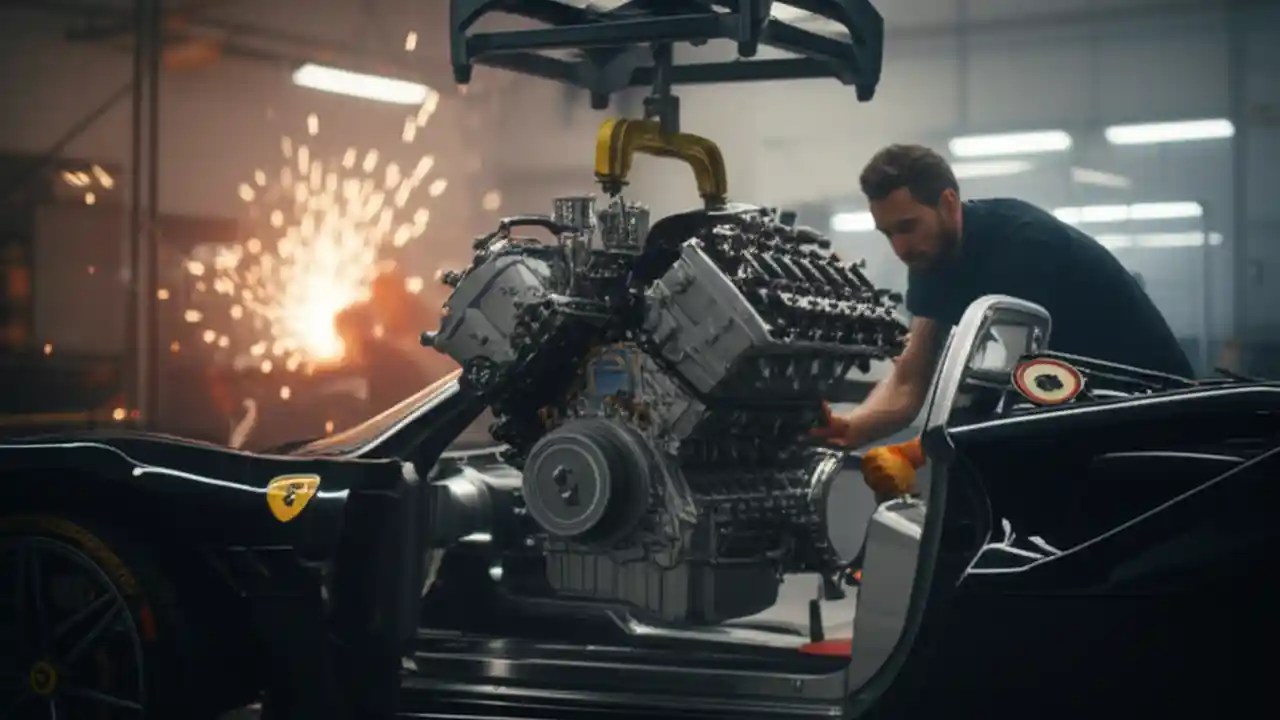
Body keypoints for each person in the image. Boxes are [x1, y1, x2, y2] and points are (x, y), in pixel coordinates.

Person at [813, 144, 1193, 450]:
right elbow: (912, 378)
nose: (900, 247)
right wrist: (852, 427)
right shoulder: (931, 258)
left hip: (1157, 412)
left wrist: (914, 456)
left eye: (908, 227)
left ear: (948, 203)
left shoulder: (1021, 244)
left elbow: (999, 389)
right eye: (888, 233)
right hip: (1084, 411)